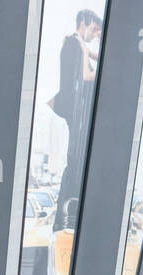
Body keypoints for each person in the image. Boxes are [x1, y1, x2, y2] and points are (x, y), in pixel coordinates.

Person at [52, 9, 103, 232]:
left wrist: (96, 44)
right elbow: (85, 77)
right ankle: (67, 217)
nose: (94, 34)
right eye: (93, 29)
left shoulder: (77, 44)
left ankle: (65, 217)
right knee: (75, 164)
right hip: (78, 116)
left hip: (77, 116)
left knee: (74, 164)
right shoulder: (75, 45)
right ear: (83, 23)